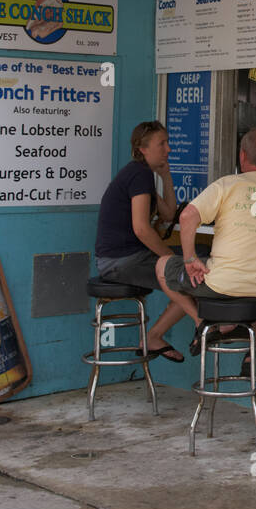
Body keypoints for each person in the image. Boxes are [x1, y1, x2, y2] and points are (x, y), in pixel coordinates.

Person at [154, 128, 256, 369]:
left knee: (161, 265)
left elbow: (187, 216)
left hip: (222, 286)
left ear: (241, 156)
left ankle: (202, 324)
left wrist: (189, 260)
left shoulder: (228, 184)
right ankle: (253, 350)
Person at [94, 120, 184, 361]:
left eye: (167, 142)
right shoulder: (139, 174)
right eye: (161, 143)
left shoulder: (141, 174)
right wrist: (170, 259)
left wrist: (166, 176)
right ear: (142, 149)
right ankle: (155, 336)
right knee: (191, 275)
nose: (168, 149)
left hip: (121, 259)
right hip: (120, 262)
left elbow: (167, 214)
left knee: (195, 262)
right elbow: (142, 229)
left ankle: (156, 335)